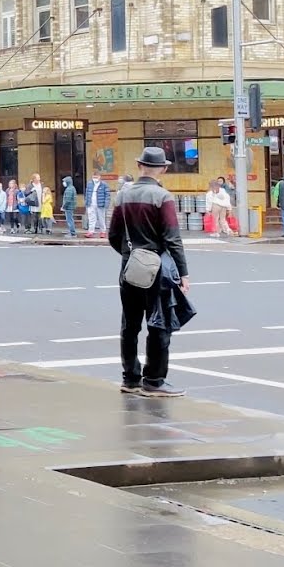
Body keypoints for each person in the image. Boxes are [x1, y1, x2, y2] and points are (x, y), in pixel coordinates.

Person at [109, 147, 191, 398]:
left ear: (139, 165)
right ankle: (154, 380)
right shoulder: (162, 196)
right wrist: (184, 273)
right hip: (157, 268)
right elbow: (172, 239)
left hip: (129, 266)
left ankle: (130, 378)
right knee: (159, 323)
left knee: (130, 324)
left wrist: (129, 255)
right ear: (163, 169)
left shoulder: (122, 195)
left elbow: (113, 236)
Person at [85, 174, 110, 238]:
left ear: (100, 177)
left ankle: (103, 232)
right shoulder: (89, 184)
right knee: (91, 218)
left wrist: (106, 204)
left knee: (101, 219)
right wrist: (86, 202)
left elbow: (107, 195)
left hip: (100, 204)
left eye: (96, 177)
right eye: (94, 177)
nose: (95, 178)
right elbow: (87, 193)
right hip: (91, 204)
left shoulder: (104, 184)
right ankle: (90, 231)